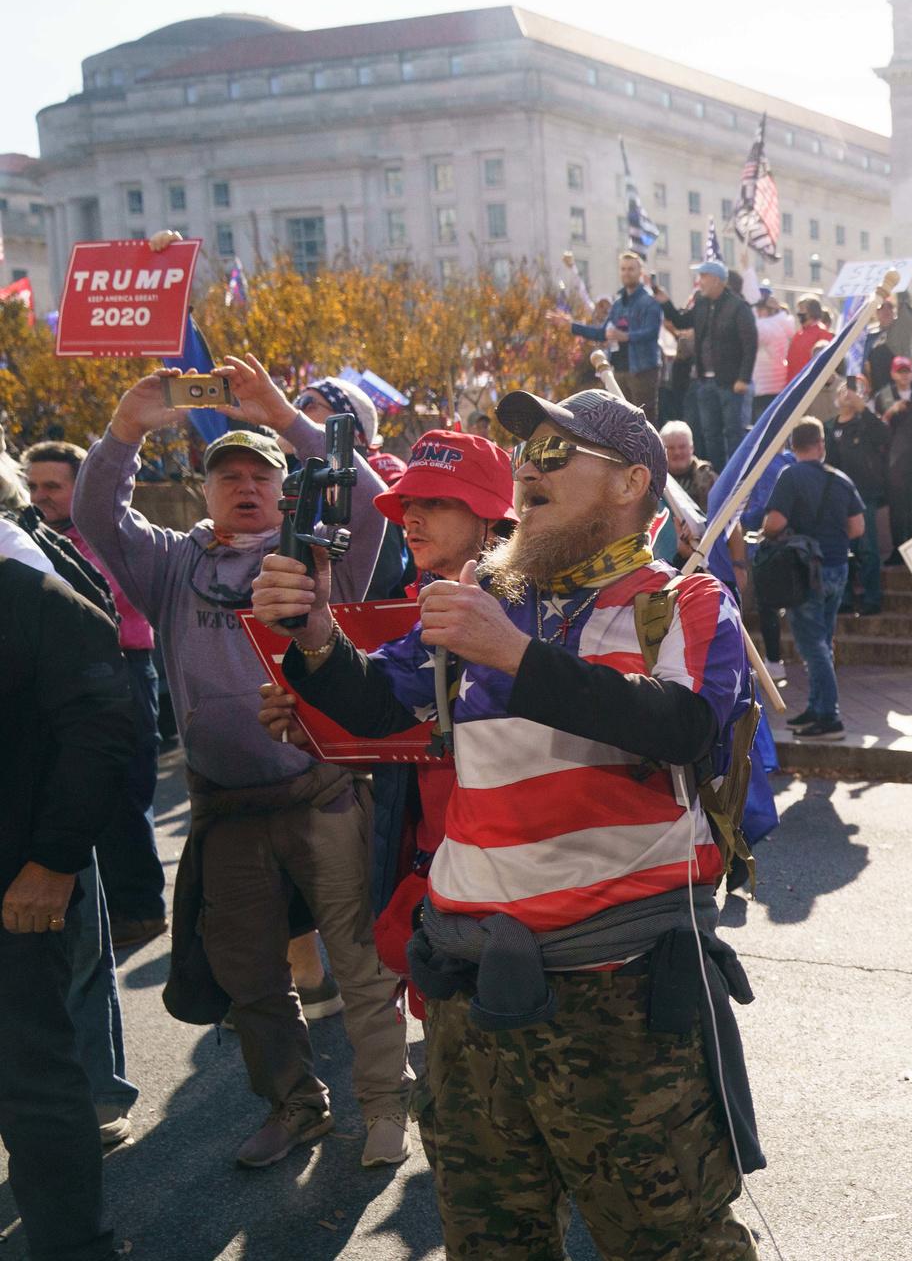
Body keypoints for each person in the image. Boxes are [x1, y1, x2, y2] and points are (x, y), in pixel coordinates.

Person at [253, 386, 762, 1258]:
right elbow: (380, 704)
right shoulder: (481, 595)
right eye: (525, 452)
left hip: (619, 994)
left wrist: (514, 655)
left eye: (557, 453)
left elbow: (685, 727)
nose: (528, 468)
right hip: (470, 990)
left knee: (671, 1242)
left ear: (631, 482)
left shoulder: (683, 600)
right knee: (489, 1242)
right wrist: (314, 638)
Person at [73, 348, 415, 1171]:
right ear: (205, 489)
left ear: (285, 487)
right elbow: (96, 516)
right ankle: (295, 1107)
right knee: (253, 981)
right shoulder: (171, 563)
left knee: (360, 965)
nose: (246, 485)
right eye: (228, 475)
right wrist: (124, 431)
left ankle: (384, 1108)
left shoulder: (322, 553)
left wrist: (284, 419)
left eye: (261, 473)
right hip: (225, 807)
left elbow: (376, 504)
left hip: (322, 794)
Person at [257, 427, 521, 1014]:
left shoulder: (538, 603)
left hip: (535, 897)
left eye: (436, 501)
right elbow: (379, 706)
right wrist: (314, 631)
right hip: (446, 880)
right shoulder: (434, 601)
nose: (412, 517)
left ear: (490, 517)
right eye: (407, 503)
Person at [0, 524, 133, 1261]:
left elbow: (102, 734)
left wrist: (53, 863)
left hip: (15, 894)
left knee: (33, 1085)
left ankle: (74, 1248)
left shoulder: (38, 601)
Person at [23, 439, 167, 946]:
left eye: (52, 486)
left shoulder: (104, 538)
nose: (39, 496)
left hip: (124, 668)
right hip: (70, 679)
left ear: (81, 488)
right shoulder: (35, 538)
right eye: (32, 485)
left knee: (123, 794)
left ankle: (141, 910)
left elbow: (106, 602)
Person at [763, 417, 867, 740]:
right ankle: (816, 707)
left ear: (792, 445)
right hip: (838, 567)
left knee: (813, 646)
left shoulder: (790, 475)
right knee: (823, 641)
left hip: (806, 571)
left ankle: (830, 717)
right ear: (821, 444)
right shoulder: (841, 479)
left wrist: (768, 532)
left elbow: (774, 523)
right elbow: (858, 528)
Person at [547, 251, 667, 426]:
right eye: (623, 269)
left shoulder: (649, 302)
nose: (626, 273)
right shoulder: (618, 304)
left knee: (645, 422)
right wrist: (571, 325)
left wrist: (625, 336)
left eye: (631, 269)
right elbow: (601, 333)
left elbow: (651, 332)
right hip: (619, 371)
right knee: (623, 423)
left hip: (642, 371)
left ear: (640, 272)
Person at [658, 257, 757, 465]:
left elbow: (750, 344)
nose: (699, 281)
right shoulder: (702, 304)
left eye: (703, 276)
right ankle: (717, 476)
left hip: (731, 383)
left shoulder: (738, 307)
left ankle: (736, 476)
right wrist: (665, 303)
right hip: (705, 382)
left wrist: (743, 378)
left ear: (716, 280)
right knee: (710, 434)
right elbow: (681, 321)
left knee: (734, 433)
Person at [826, 379, 890, 617]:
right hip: (838, 496)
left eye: (852, 391)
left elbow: (884, 436)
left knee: (868, 547)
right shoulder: (829, 426)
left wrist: (862, 408)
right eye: (843, 390)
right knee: (843, 548)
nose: (847, 395)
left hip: (865, 493)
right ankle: (844, 598)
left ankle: (872, 597)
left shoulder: (866, 422)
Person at [875, 355, 912, 550]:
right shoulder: (885, 395)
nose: (904, 376)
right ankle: (898, 549)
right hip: (894, 460)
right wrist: (893, 410)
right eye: (900, 372)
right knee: (897, 507)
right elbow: (879, 425)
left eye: (907, 372)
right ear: (893, 374)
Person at [749, 286, 798, 423]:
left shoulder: (764, 326)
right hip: (777, 382)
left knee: (760, 426)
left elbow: (752, 334)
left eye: (759, 309)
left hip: (762, 384)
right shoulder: (782, 325)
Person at [660, 420, 720, 511]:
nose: (677, 452)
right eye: (671, 448)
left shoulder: (709, 479)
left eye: (682, 447)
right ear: (661, 450)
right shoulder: (653, 481)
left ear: (692, 448)